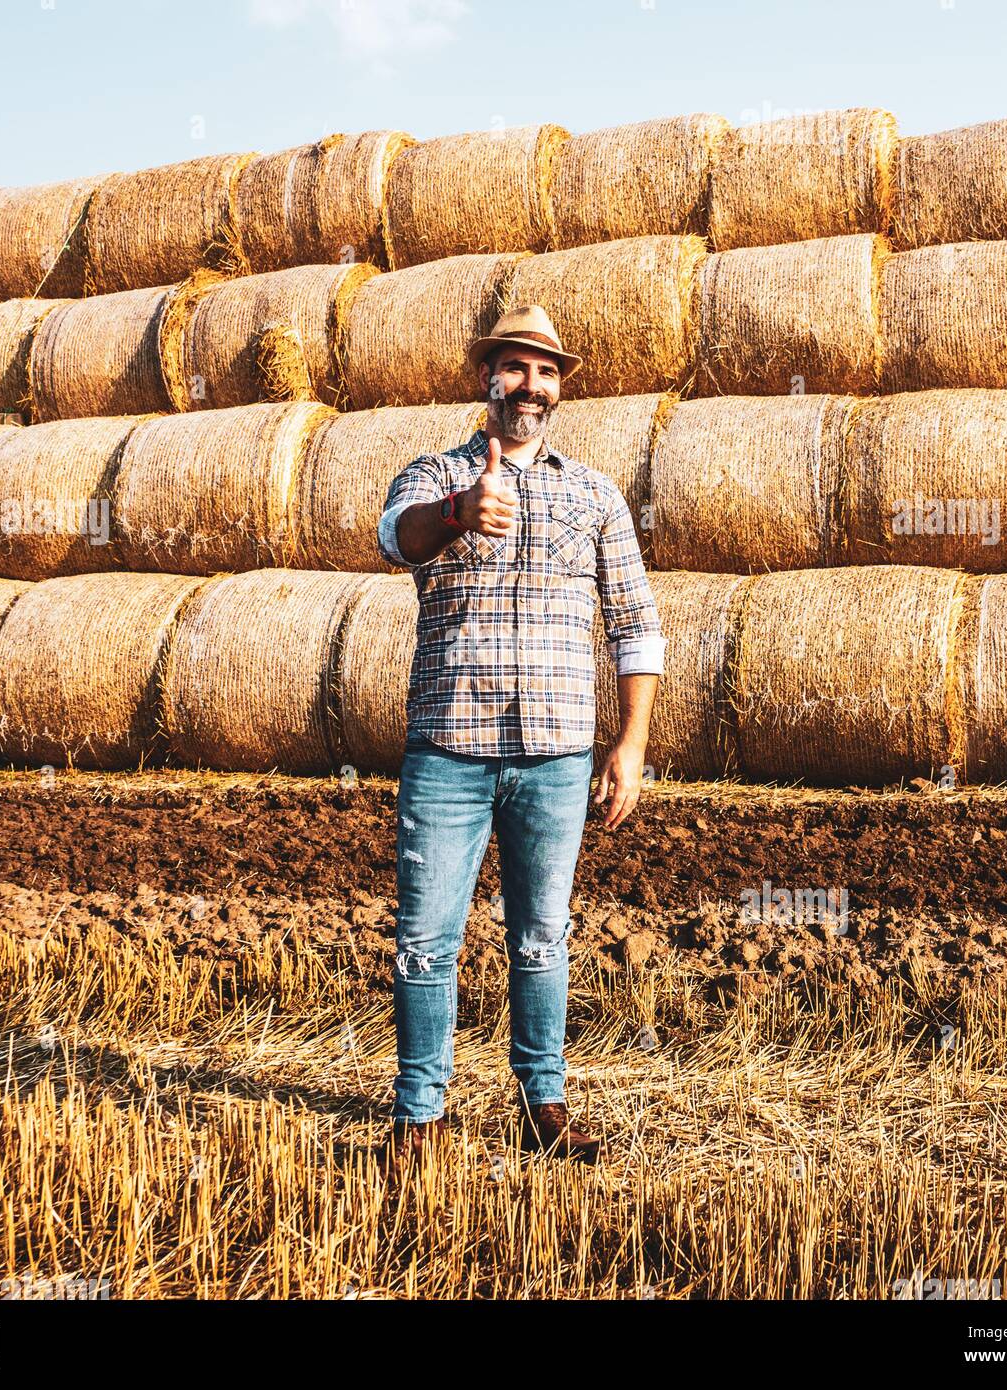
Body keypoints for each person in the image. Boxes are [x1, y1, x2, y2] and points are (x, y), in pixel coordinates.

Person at [372, 304, 666, 1180]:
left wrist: (631, 745)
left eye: (545, 370)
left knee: (542, 937)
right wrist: (463, 509)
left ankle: (544, 1102)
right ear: (486, 378)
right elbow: (395, 539)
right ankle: (419, 1114)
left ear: (559, 385)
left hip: (556, 754)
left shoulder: (594, 495)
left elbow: (636, 625)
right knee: (426, 940)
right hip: (449, 750)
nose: (530, 384)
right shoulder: (434, 475)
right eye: (514, 367)